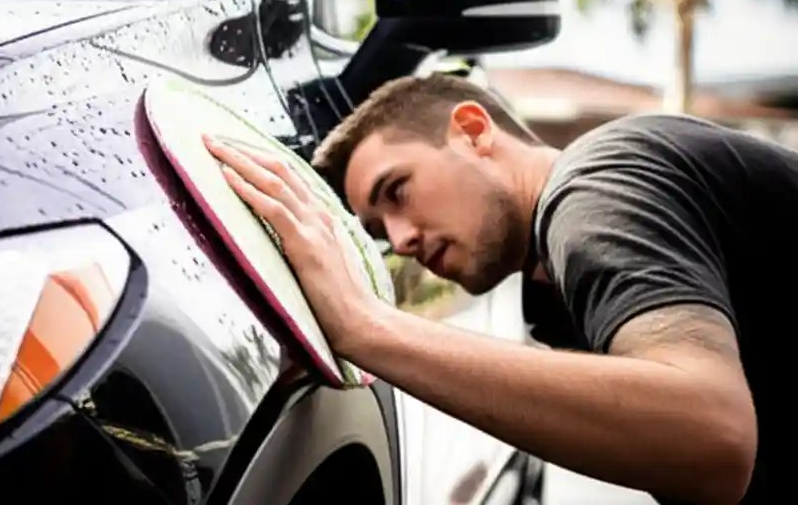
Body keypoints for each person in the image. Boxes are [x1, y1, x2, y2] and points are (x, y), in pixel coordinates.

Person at [203, 72, 790, 505]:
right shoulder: (554, 290)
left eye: (398, 190)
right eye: (380, 234)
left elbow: (711, 437)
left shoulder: (591, 189)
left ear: (472, 130)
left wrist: (365, 327)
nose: (402, 241)